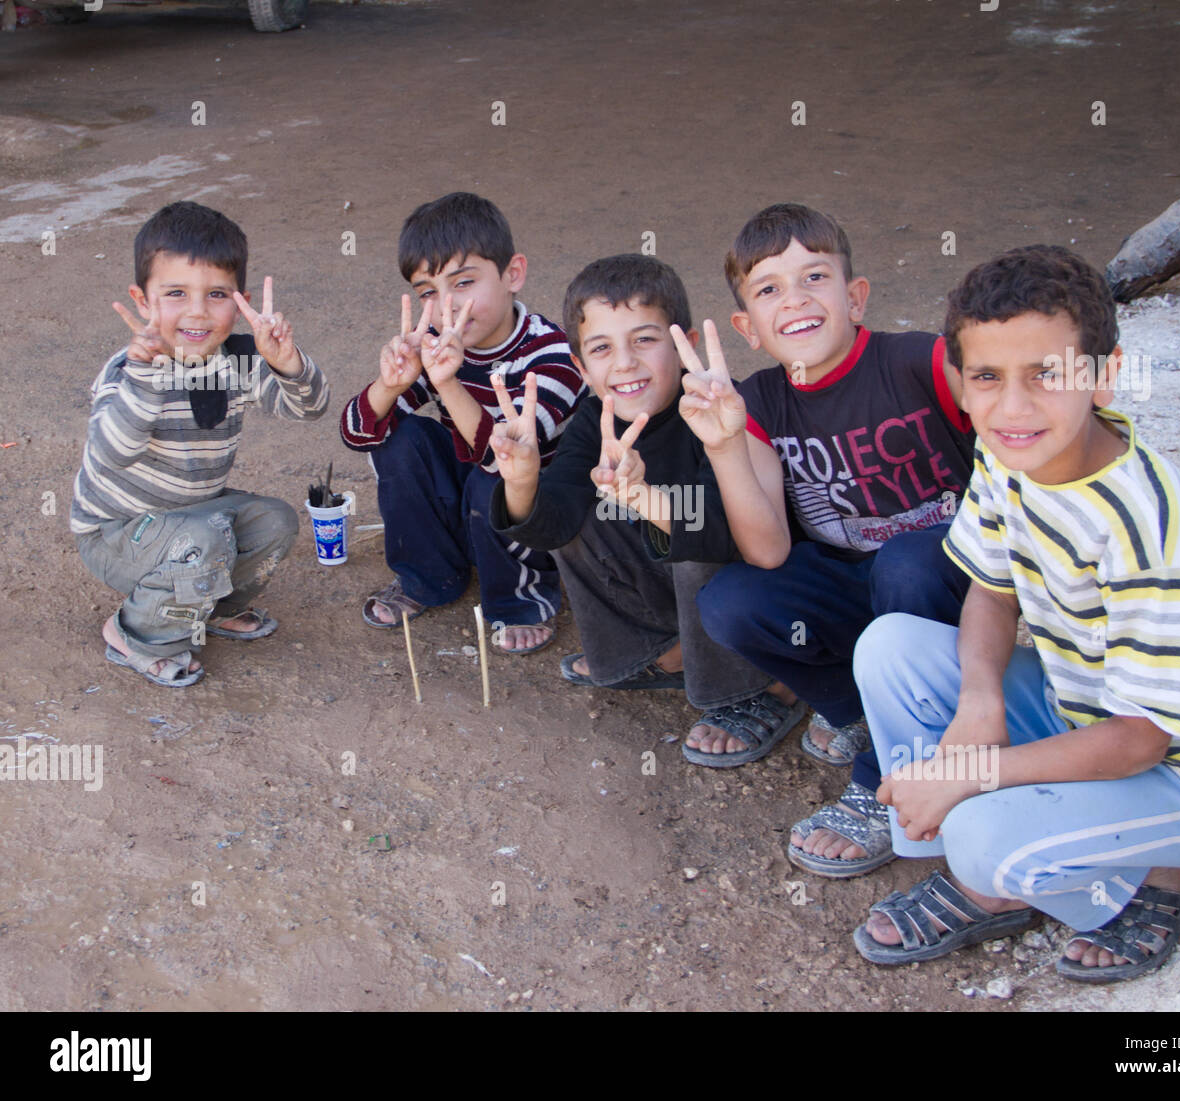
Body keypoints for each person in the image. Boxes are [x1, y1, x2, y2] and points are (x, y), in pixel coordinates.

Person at [848, 244, 1180, 982]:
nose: (1013, 406)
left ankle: (1163, 873)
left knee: (980, 831)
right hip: (1080, 714)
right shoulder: (1009, 454)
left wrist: (977, 773)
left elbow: (1144, 738)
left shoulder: (1143, 527)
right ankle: (993, 850)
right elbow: (992, 586)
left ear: (1104, 376)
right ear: (961, 383)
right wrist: (979, 700)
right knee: (888, 645)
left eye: (1047, 374)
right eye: (987, 377)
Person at [676, 202, 973, 844]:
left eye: (815, 277)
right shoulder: (757, 403)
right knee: (729, 602)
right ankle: (862, 712)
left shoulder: (922, 363)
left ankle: (882, 783)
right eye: (768, 289)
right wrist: (725, 444)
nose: (795, 299)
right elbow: (768, 551)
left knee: (907, 561)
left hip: (949, 590)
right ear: (747, 327)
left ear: (855, 296)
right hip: (852, 591)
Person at [489, 254, 803, 758]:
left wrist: (642, 497)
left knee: (689, 523)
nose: (625, 363)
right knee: (580, 509)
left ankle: (763, 687)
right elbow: (554, 525)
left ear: (685, 347)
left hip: (760, 592)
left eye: (645, 339)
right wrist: (523, 479)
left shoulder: (719, 409)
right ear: (581, 368)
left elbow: (731, 535)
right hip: (681, 586)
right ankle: (662, 653)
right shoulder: (595, 419)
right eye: (601, 348)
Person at [72, 200, 330, 687]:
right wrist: (146, 383)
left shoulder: (238, 358)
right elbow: (112, 453)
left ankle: (204, 610)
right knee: (204, 539)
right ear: (142, 300)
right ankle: (139, 635)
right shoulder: (128, 371)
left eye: (216, 294)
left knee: (274, 521)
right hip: (116, 535)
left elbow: (309, 407)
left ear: (241, 301)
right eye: (175, 293)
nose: (197, 311)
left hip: (192, 516)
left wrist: (287, 362)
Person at [338, 192, 585, 653]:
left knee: (495, 476)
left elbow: (505, 457)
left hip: (540, 517)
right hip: (472, 510)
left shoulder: (553, 356)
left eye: (464, 282)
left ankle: (521, 601)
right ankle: (428, 577)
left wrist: (448, 383)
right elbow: (356, 433)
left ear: (513, 274)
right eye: (429, 292)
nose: (447, 305)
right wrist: (389, 385)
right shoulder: (433, 342)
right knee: (396, 438)